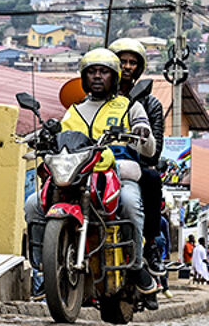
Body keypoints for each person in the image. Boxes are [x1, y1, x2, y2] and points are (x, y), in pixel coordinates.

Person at [23, 48, 159, 307]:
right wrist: (41, 136)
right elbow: (62, 137)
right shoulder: (74, 111)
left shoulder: (131, 106)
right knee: (33, 204)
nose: (97, 76)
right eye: (92, 72)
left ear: (115, 77)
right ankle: (44, 267)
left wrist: (143, 131)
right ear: (84, 78)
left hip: (115, 173)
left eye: (104, 71)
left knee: (130, 203)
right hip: (78, 173)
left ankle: (137, 264)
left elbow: (149, 147)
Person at [109, 38, 168, 278]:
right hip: (98, 162)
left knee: (152, 178)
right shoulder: (98, 97)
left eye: (133, 62)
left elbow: (155, 148)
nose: (127, 66)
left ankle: (150, 243)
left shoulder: (148, 103)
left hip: (133, 164)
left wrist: (137, 139)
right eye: (122, 61)